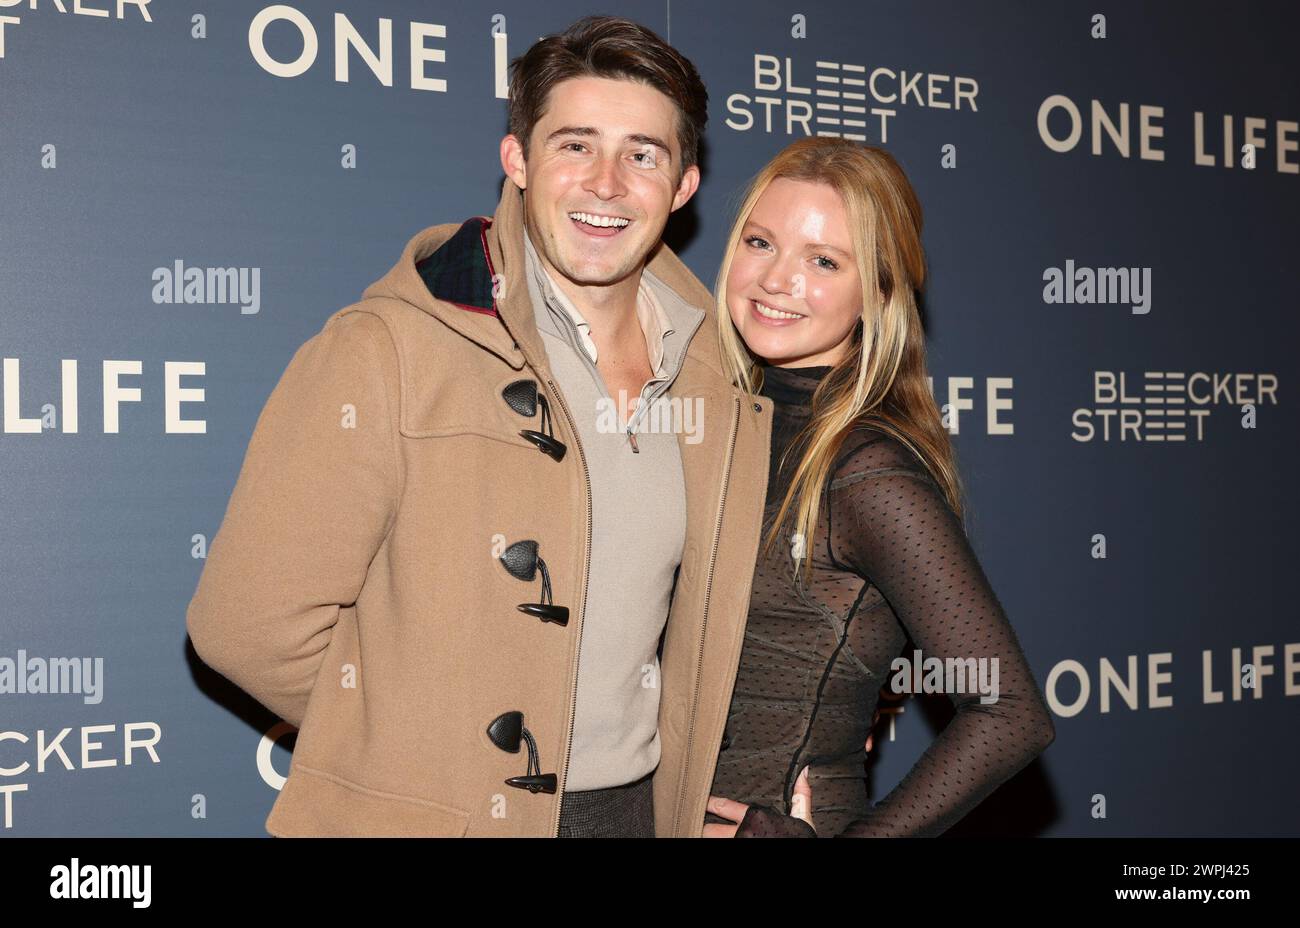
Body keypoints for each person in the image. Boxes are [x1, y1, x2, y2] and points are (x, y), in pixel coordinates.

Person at [185, 15, 773, 838]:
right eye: (574, 145)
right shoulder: (388, 349)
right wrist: (425, 762)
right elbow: (246, 629)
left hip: (635, 815)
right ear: (518, 161)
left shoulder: (717, 371)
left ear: (682, 187)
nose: (607, 183)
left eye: (642, 154)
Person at [699, 138, 1056, 837]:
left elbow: (1010, 710)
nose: (777, 280)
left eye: (823, 261)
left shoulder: (865, 470)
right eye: (760, 242)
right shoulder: (720, 426)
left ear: (881, 292)